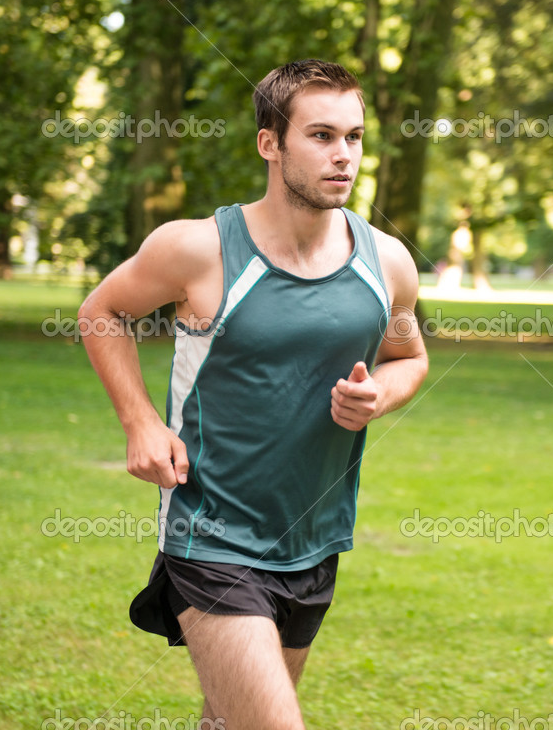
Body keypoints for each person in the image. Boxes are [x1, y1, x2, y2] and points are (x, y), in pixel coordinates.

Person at [80, 59, 429, 729]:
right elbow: (103, 312)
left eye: (354, 137)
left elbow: (408, 358)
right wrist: (141, 423)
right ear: (270, 142)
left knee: (227, 721)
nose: (343, 156)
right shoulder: (198, 249)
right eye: (321, 135)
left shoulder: (386, 261)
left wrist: (378, 396)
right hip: (211, 532)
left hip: (315, 536)